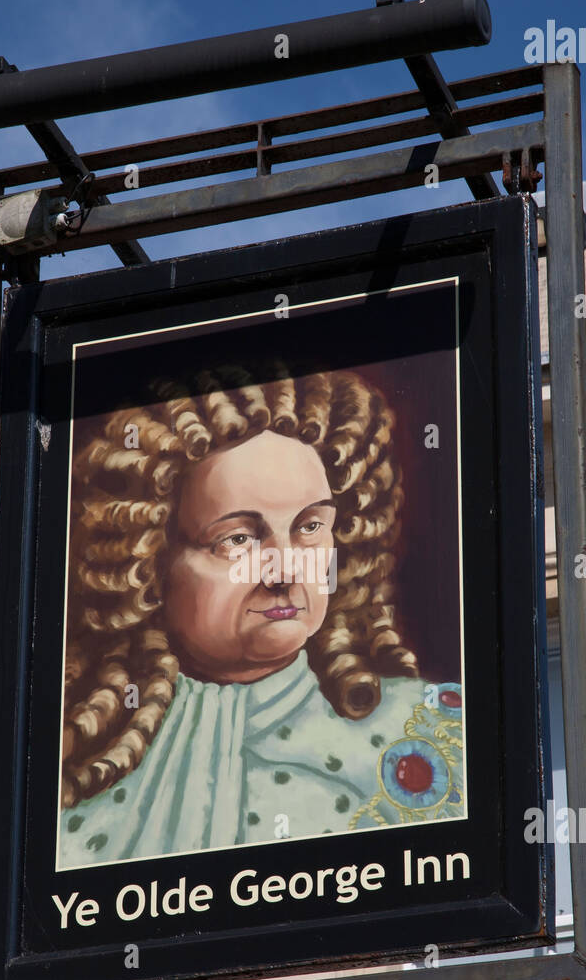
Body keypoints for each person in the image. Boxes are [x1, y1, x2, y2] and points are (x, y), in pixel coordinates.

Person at [58, 361, 464, 866]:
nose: (283, 572)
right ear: (150, 564)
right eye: (239, 538)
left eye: (311, 527)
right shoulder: (73, 768)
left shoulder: (435, 738)